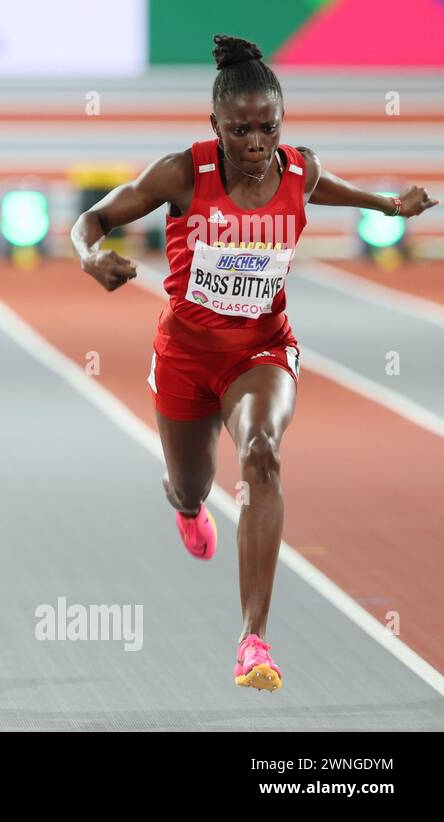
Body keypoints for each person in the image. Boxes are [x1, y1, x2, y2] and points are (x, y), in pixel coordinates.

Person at [70, 34, 436, 691]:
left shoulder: (300, 170)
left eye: (268, 127)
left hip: (260, 350)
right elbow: (91, 219)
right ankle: (183, 505)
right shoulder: (185, 173)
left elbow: (332, 189)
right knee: (192, 485)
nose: (257, 143)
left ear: (281, 124)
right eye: (241, 130)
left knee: (262, 453)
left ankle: (252, 642)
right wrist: (92, 257)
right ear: (216, 126)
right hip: (184, 355)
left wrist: (389, 206)